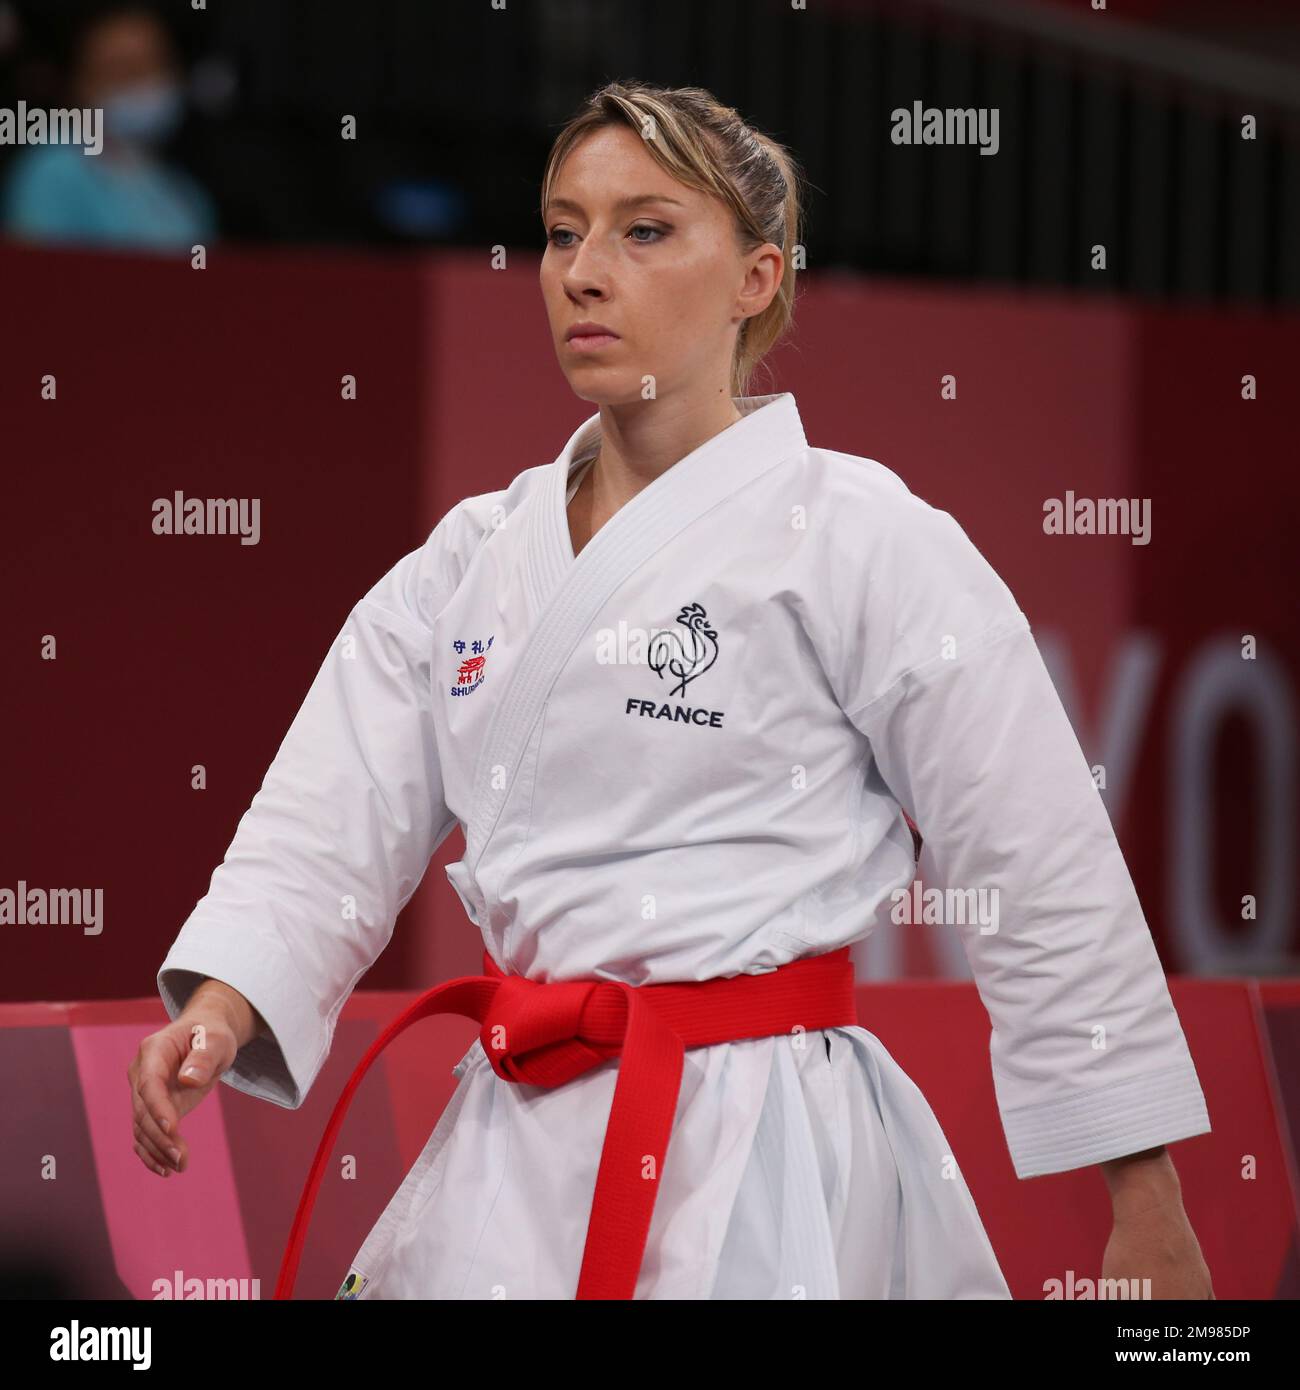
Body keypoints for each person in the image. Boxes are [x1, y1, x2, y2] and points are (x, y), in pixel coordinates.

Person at [129, 80, 1213, 1300]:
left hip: (771, 1143)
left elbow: (1035, 853)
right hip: (513, 1139)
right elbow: (329, 822)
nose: (584, 271)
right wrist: (222, 1003)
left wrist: (1145, 1196)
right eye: (559, 230)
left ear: (757, 277)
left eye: (644, 230)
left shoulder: (858, 538)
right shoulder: (469, 559)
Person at [3, 4, 214, 250]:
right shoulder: (53, 170)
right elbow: (37, 274)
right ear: (81, 85)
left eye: (154, 66)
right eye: (122, 70)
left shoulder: (183, 191)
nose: (140, 85)